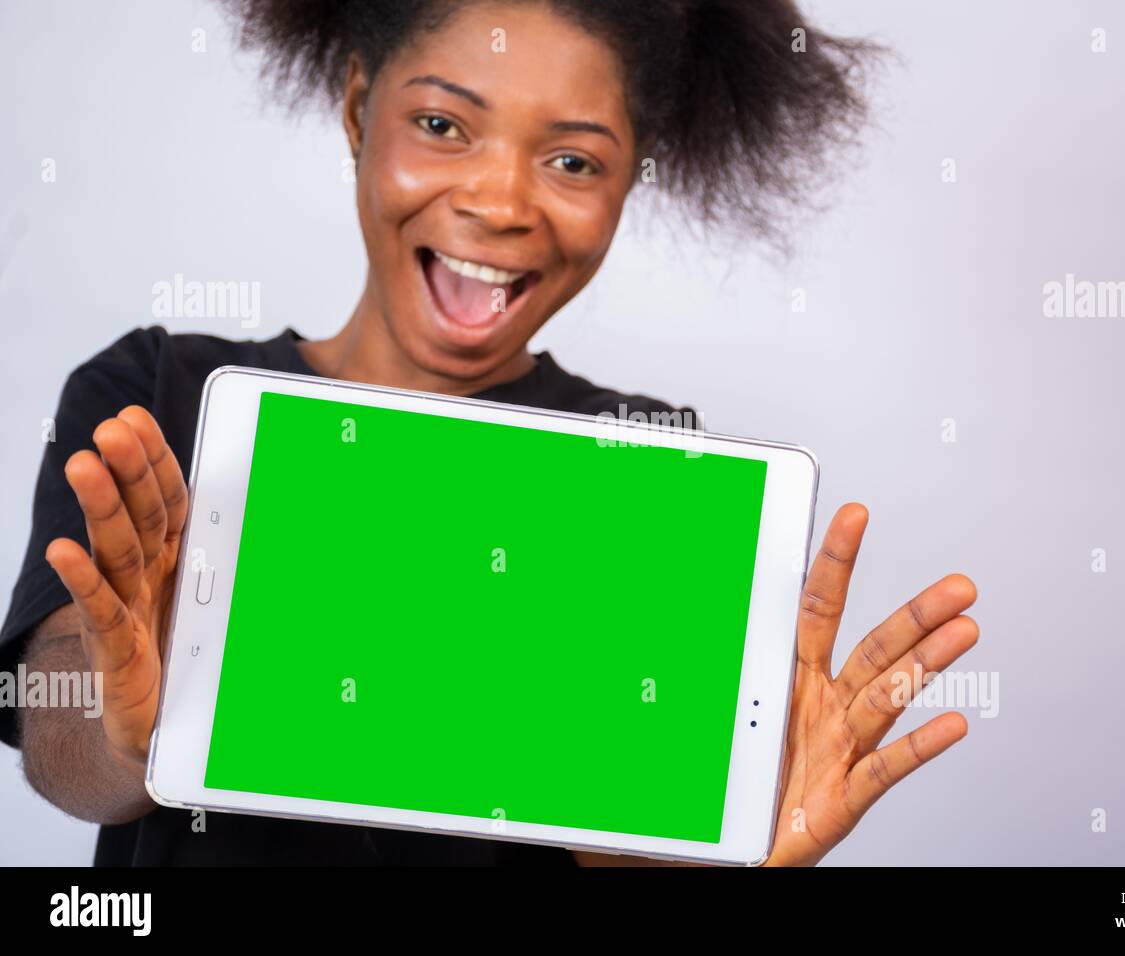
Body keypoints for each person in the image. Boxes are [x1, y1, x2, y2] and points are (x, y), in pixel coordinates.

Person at [1, 0, 979, 865]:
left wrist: (693, 851)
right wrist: (126, 730)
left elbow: (620, 839)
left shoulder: (647, 468)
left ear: (631, 177)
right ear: (356, 108)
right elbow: (56, 740)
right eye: (441, 124)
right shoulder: (161, 395)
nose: (500, 203)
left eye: (571, 159)